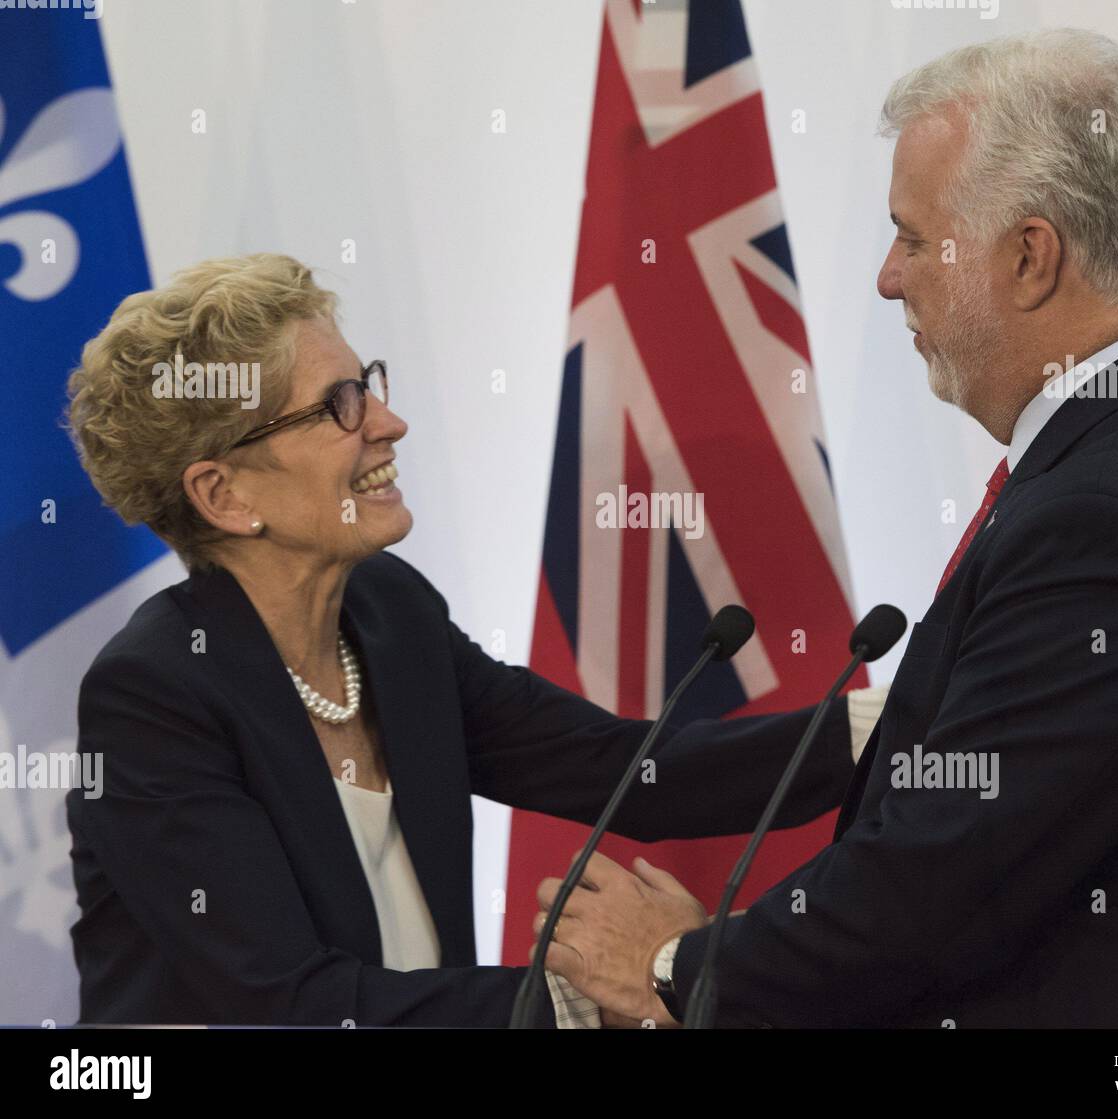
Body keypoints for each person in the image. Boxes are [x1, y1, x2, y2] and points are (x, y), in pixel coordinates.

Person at [533, 28, 1118, 1028]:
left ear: (1029, 257)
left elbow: (943, 886)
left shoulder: (1112, 518)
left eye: (910, 237)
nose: (889, 279)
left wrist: (678, 965)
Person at [63, 253, 880, 1026]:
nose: (389, 421)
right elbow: (293, 1005)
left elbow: (631, 774)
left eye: (369, 383)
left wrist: (888, 725)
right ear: (225, 493)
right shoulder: (154, 697)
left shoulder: (390, 615)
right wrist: (573, 1005)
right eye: (339, 404)